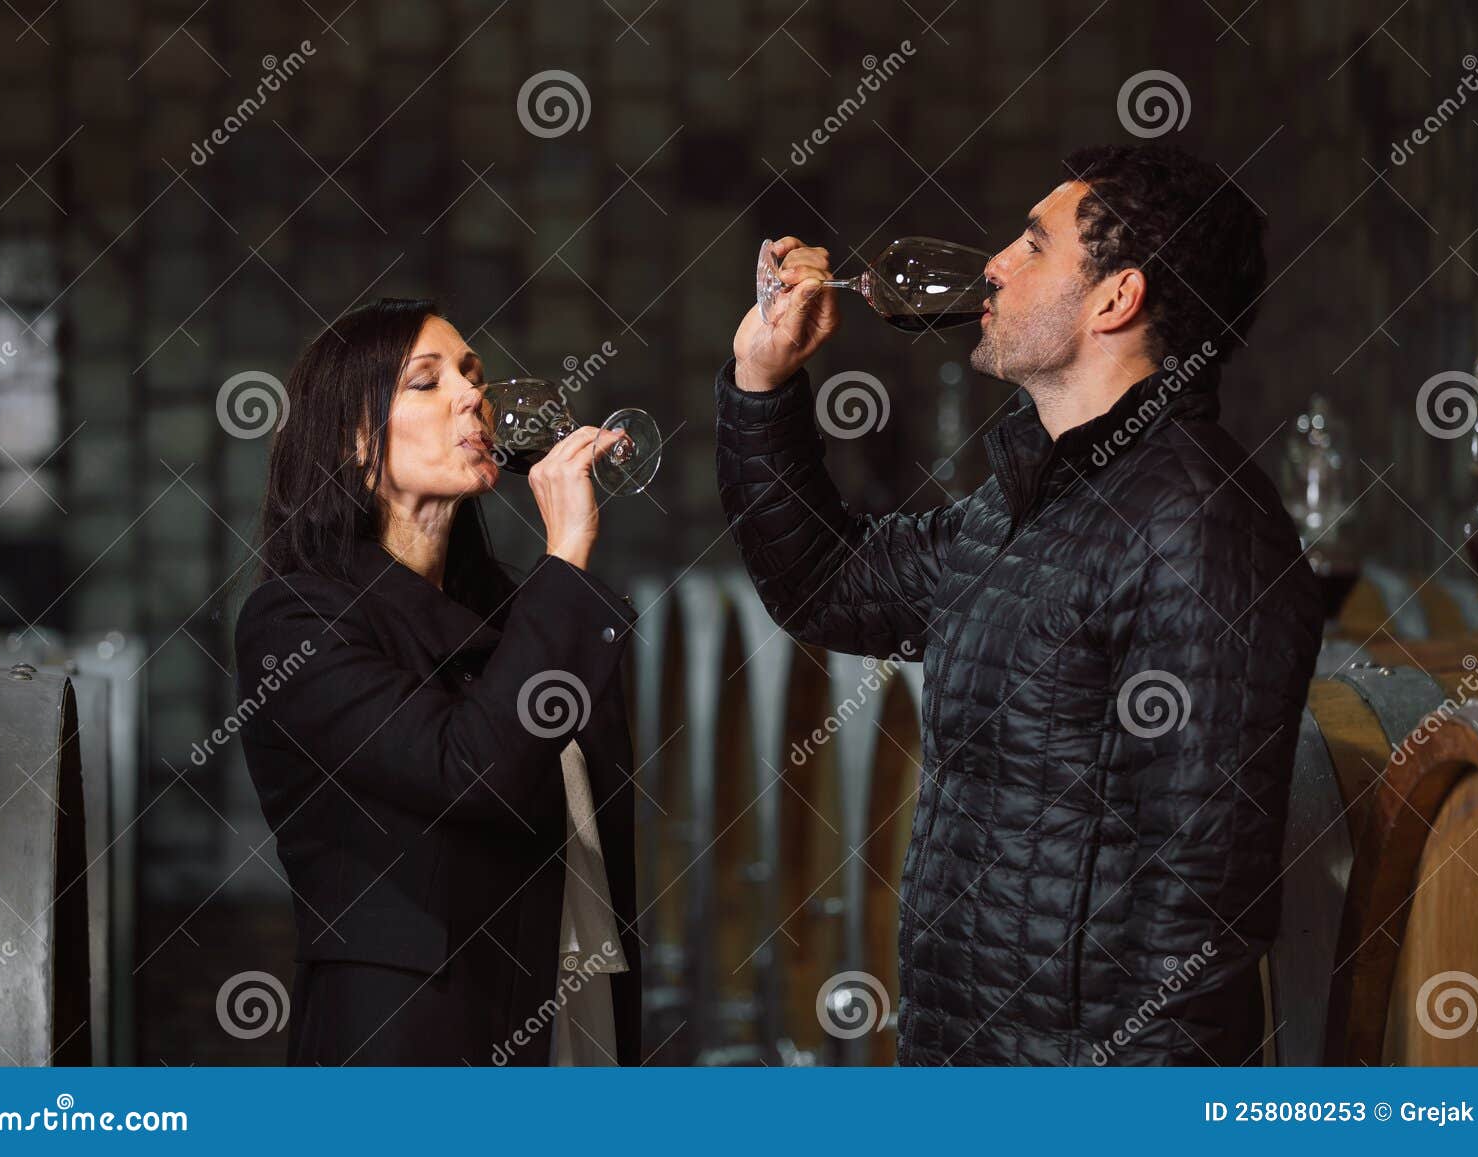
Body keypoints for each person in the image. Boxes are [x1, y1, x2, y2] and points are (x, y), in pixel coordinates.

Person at [716, 143, 1324, 1064]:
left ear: (1115, 299)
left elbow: (1200, 907)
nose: (995, 262)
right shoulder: (1023, 499)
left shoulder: (1203, 525)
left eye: (1034, 246)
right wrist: (764, 386)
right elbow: (829, 586)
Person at [235, 297, 641, 1065]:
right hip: (415, 1040)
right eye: (427, 382)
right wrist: (568, 552)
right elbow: (473, 772)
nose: (472, 395)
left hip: (567, 1011)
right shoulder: (294, 622)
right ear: (355, 439)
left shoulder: (515, 611)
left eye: (472, 374)